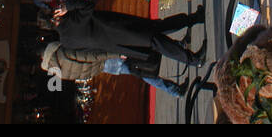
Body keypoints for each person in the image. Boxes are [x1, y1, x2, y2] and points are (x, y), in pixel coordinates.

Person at [50, 0, 207, 66]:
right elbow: (88, 6)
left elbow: (91, 53)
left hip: (116, 43)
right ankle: (193, 60)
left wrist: (115, 54)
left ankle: (194, 18)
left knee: (157, 28)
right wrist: (68, 7)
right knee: (154, 39)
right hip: (118, 29)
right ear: (55, 18)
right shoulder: (72, 21)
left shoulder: (66, 42)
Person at [39, 40, 187, 98]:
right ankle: (178, 48)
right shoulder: (62, 53)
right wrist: (114, 53)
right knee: (144, 50)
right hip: (106, 58)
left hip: (104, 68)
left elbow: (81, 74)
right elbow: (89, 56)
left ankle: (174, 90)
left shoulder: (57, 71)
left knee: (141, 72)